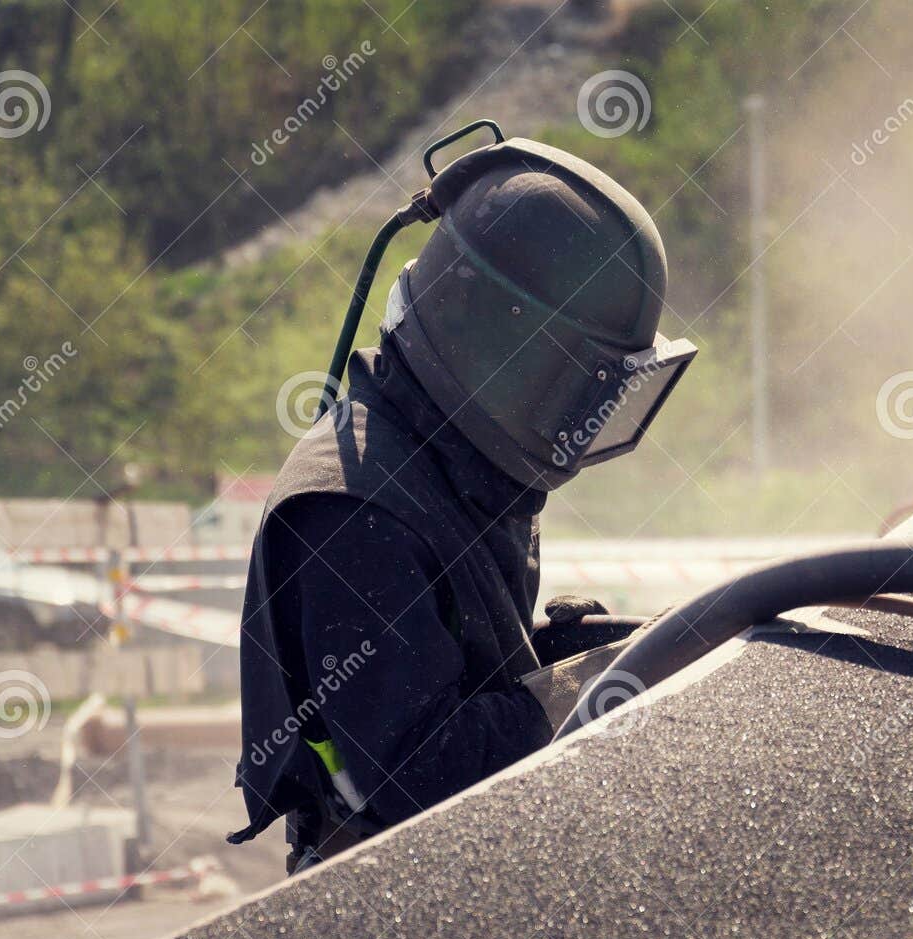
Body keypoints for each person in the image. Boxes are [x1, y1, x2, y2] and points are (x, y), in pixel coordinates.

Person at [228, 134, 696, 873]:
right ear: (503, 348)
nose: (578, 426)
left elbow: (446, 671)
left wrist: (549, 653)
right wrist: (595, 681)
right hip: (385, 916)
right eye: (578, 392)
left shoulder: (453, 457)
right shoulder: (354, 511)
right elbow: (420, 771)